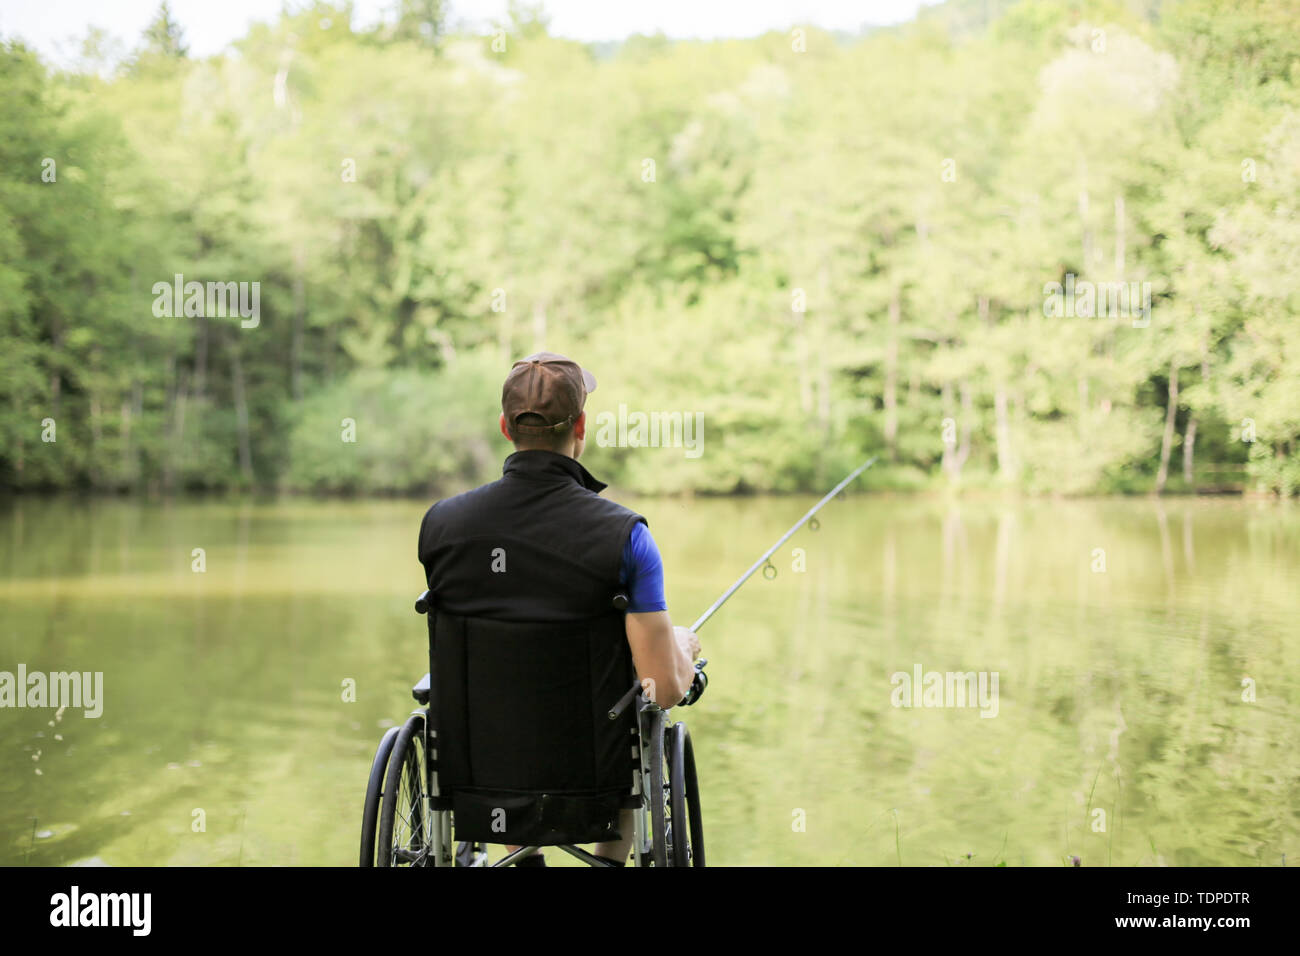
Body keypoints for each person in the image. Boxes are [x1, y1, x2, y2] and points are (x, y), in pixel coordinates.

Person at [417, 351, 700, 867]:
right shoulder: (626, 537)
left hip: (477, 780)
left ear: (506, 427)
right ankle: (609, 860)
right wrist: (682, 646)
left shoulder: (442, 528)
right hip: (595, 781)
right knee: (637, 709)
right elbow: (665, 686)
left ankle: (519, 856)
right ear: (582, 426)